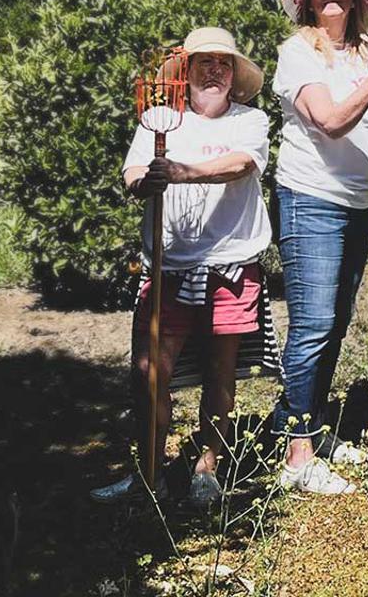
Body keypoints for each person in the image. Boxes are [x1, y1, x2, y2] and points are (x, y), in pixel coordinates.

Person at [90, 27, 274, 508]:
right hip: (170, 268)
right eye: (204, 62)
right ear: (185, 72)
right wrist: (144, 184)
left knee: (220, 373)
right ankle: (147, 473)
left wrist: (182, 172)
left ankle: (205, 469)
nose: (214, 70)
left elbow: (241, 165)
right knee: (149, 373)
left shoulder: (250, 121)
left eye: (224, 63)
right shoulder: (158, 119)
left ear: (234, 76)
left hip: (230, 265)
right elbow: (132, 173)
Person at [269, 0, 368, 495]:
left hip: (358, 200)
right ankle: (296, 453)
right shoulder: (296, 54)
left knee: (336, 320)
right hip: (310, 197)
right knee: (312, 323)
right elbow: (329, 121)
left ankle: (305, 421)